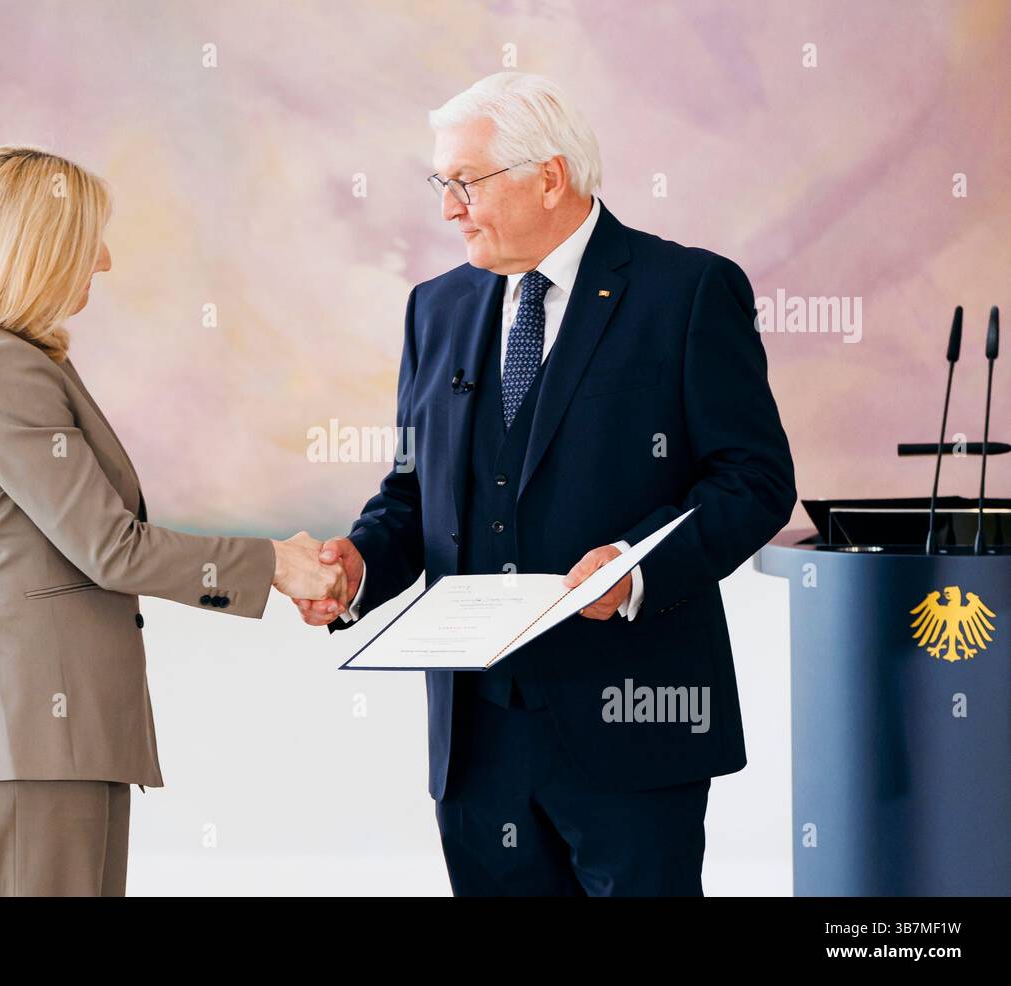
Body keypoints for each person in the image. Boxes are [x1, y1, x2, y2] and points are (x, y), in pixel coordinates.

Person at [296, 73, 797, 896]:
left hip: (634, 722)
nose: (449, 207)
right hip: (477, 741)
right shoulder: (437, 306)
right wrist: (357, 569)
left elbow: (754, 480)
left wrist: (635, 568)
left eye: (466, 182)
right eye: (442, 184)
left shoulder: (687, 291)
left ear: (549, 177)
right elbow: (413, 493)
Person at [0, 145, 344, 896]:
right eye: (89, 240)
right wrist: (274, 563)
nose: (104, 262)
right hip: (28, 743)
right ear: (36, 248)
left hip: (46, 741)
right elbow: (110, 547)